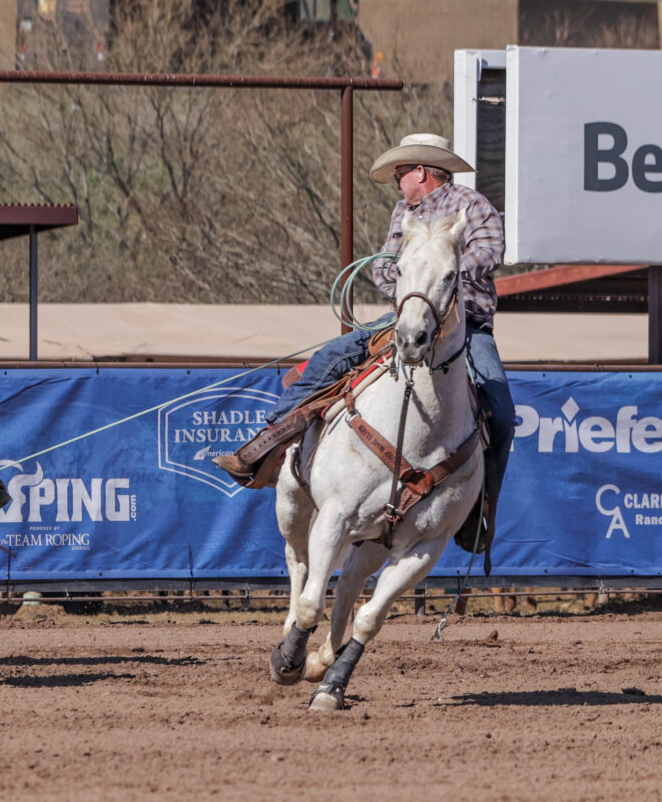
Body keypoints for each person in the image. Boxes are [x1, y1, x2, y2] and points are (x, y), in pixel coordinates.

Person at [213, 133, 515, 549]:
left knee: (500, 411)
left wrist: (439, 269)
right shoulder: (403, 213)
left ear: (421, 171)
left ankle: (479, 513)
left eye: (401, 172)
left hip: (466, 325)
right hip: (405, 317)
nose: (397, 180)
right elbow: (381, 270)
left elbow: (491, 251)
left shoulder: (471, 204)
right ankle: (266, 442)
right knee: (331, 357)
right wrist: (407, 277)